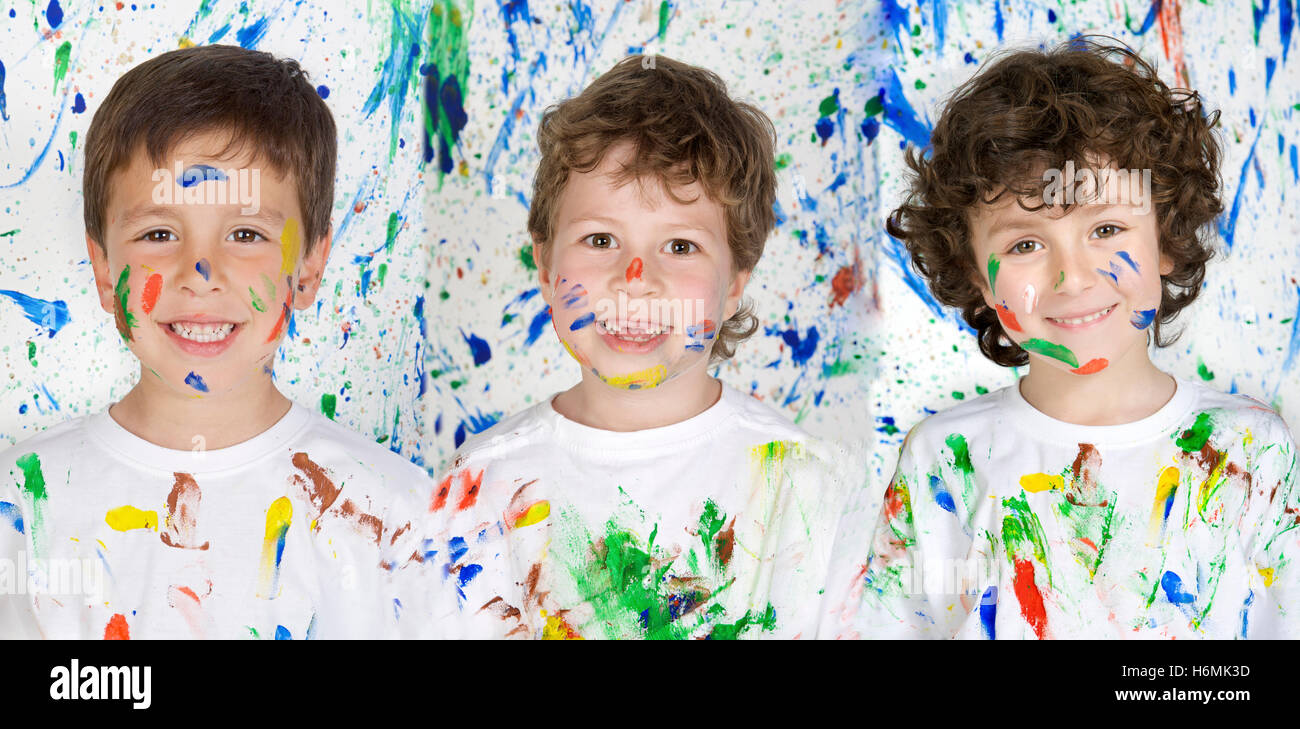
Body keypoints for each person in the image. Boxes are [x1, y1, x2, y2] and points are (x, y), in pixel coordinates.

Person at [824, 39, 1297, 639]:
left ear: (1169, 241)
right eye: (1025, 244)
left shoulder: (1249, 449)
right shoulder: (945, 460)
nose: (1072, 276)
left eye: (1106, 228)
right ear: (976, 273)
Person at [408, 55, 854, 639]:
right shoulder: (483, 486)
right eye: (601, 239)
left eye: (680, 246)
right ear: (544, 264)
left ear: (735, 283)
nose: (635, 277)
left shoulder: (805, 484)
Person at [0, 45, 427, 639]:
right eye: (158, 232)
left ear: (307, 267)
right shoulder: (19, 503)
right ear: (103, 270)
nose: (200, 272)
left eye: (246, 233)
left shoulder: (398, 515)